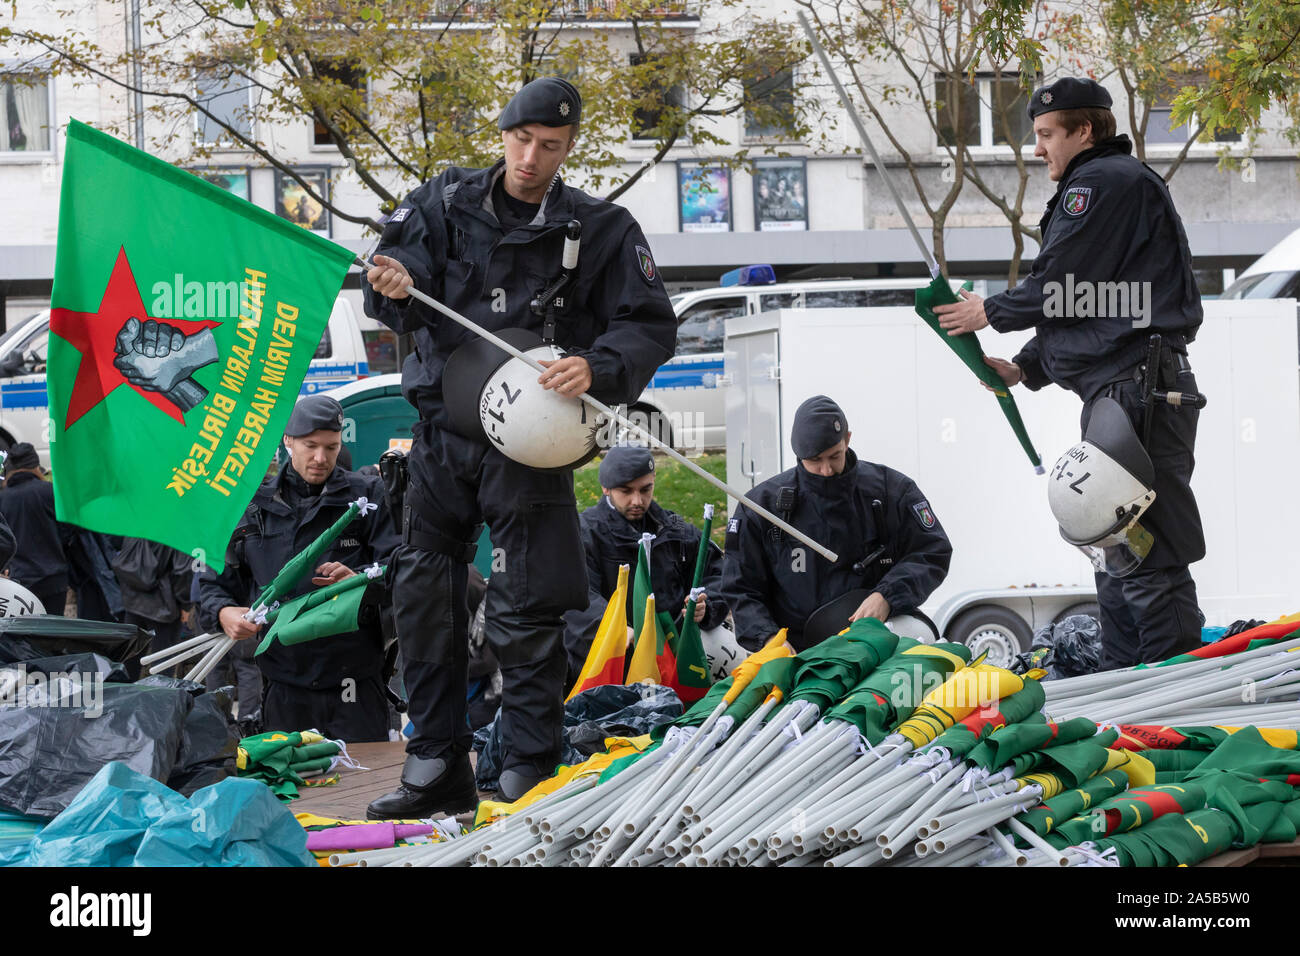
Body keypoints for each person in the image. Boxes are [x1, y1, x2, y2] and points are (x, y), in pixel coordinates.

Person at [362, 76, 677, 814]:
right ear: (503, 134)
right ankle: (435, 763)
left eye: (551, 147)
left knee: (529, 608)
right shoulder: (442, 202)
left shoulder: (601, 229)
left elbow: (649, 324)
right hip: (441, 432)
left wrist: (599, 365)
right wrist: (393, 287)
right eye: (522, 140)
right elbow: (384, 284)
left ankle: (527, 768)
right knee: (423, 597)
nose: (532, 158)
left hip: (532, 444)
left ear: (569, 149)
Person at [932, 76, 1205, 668]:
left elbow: (1062, 283)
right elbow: (1097, 302)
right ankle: (1132, 702)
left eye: (1047, 135)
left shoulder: (1101, 182)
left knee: (1144, 556)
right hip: (1128, 392)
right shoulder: (1112, 184)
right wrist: (1027, 368)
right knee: (1118, 554)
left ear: (1084, 130)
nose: (1038, 150)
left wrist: (991, 310)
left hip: (1138, 393)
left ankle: (1173, 710)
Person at [198, 395, 400, 741]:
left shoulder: (367, 496)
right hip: (284, 686)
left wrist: (362, 581)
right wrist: (224, 613)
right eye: (310, 446)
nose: (321, 458)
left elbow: (401, 568)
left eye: (331, 447)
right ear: (287, 441)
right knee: (293, 791)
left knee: (363, 788)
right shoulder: (251, 508)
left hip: (355, 683)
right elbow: (211, 586)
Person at [721, 396, 952, 652]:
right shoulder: (761, 506)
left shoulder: (891, 490)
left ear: (848, 440)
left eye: (834, 456)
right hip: (794, 648)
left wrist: (887, 595)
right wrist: (767, 638)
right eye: (815, 461)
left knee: (918, 636)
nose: (826, 470)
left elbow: (932, 551)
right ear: (797, 454)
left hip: (880, 633)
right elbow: (740, 586)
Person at [562, 445, 729, 683]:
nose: (637, 501)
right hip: (612, 663)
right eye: (626, 491)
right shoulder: (584, 533)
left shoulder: (674, 527)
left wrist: (707, 604)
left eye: (645, 489)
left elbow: (718, 572)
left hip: (671, 662)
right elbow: (576, 594)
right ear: (605, 488)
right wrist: (614, 630)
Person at [0, 442, 73, 615]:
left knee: (24, 640)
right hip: (54, 580)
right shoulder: (50, 492)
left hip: (20, 583)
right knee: (52, 636)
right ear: (35, 467)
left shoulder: (3, 500)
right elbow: (68, 533)